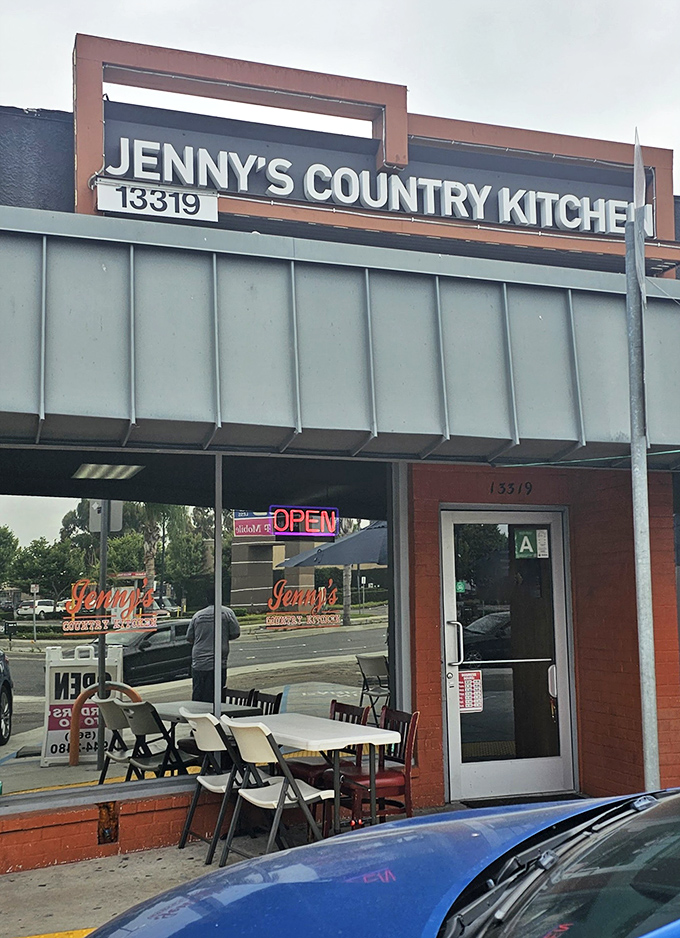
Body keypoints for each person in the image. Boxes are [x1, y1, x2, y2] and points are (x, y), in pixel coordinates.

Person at [186, 591, 241, 702]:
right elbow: (236, 633)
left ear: (207, 600)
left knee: (198, 692)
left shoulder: (197, 615)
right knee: (216, 694)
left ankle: (197, 715)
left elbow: (189, 637)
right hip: (218, 661)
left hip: (199, 661)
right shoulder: (227, 613)